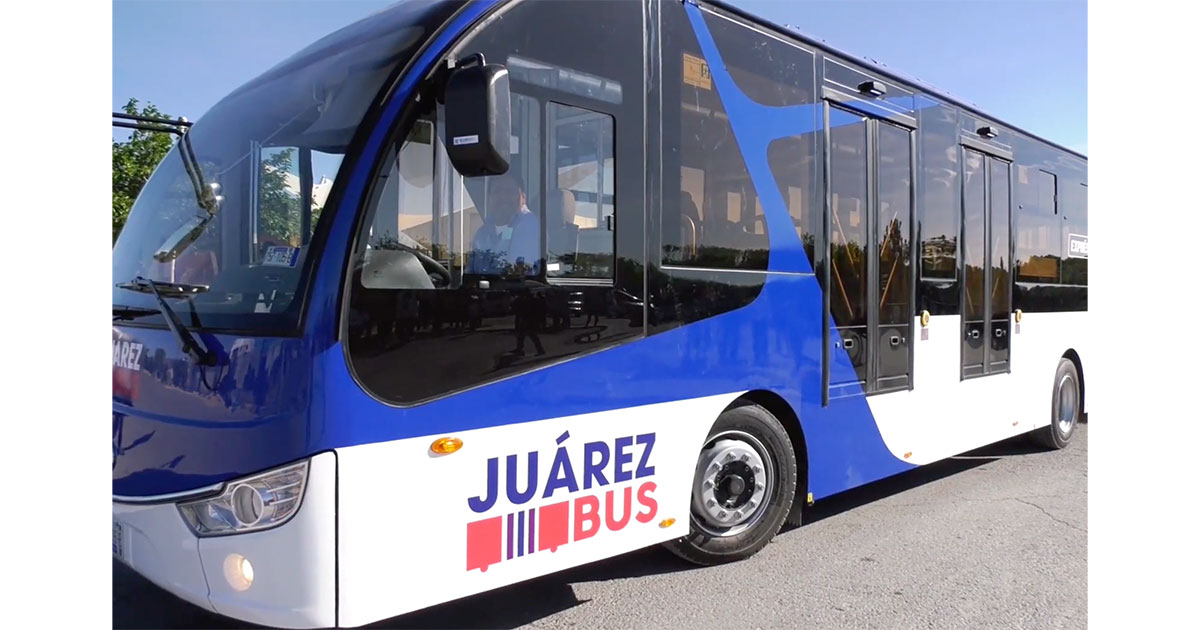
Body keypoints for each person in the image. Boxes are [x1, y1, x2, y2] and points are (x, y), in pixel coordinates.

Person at [467, 172, 541, 277]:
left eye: (509, 191)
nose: (503, 197)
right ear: (489, 198)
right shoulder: (482, 233)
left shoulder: (529, 225)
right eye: (497, 191)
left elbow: (517, 274)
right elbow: (470, 274)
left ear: (523, 197)